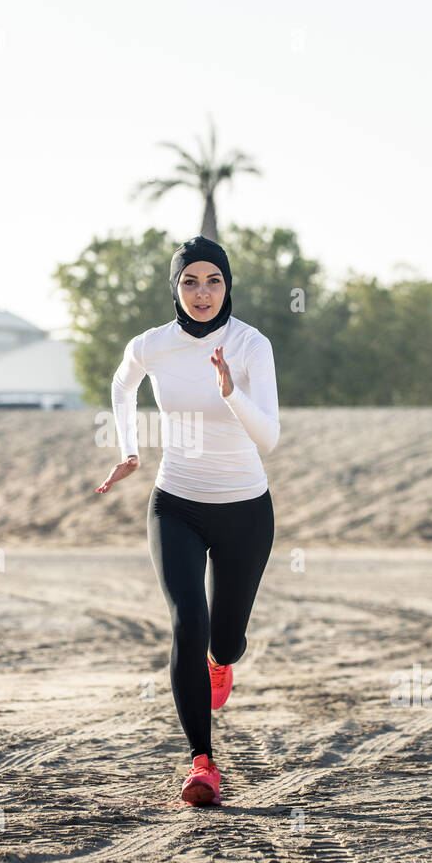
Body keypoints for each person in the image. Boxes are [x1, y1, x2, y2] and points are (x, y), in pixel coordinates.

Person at [95, 235, 279, 806]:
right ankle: (203, 763)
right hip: (174, 503)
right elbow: (122, 384)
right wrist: (129, 448)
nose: (203, 293)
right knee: (185, 623)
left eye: (214, 281)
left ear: (228, 286)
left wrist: (230, 395)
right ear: (176, 287)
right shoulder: (153, 346)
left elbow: (269, 438)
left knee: (224, 640)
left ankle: (221, 662)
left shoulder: (251, 345)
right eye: (190, 281)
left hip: (246, 509)